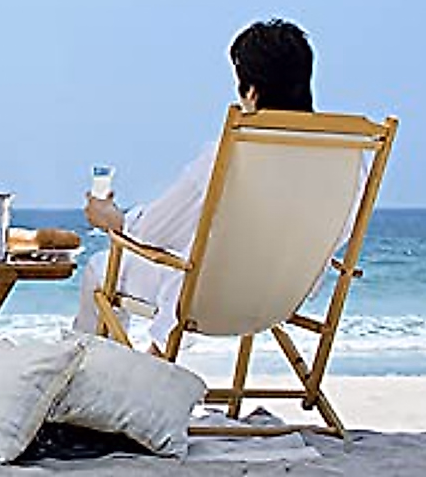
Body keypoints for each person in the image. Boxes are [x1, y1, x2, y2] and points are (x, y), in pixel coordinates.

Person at [73, 18, 326, 354]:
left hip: (210, 300)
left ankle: (93, 370)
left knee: (99, 267)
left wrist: (112, 219)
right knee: (187, 264)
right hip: (281, 301)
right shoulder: (348, 156)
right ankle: (151, 361)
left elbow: (153, 233)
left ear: (251, 91)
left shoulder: (232, 155)